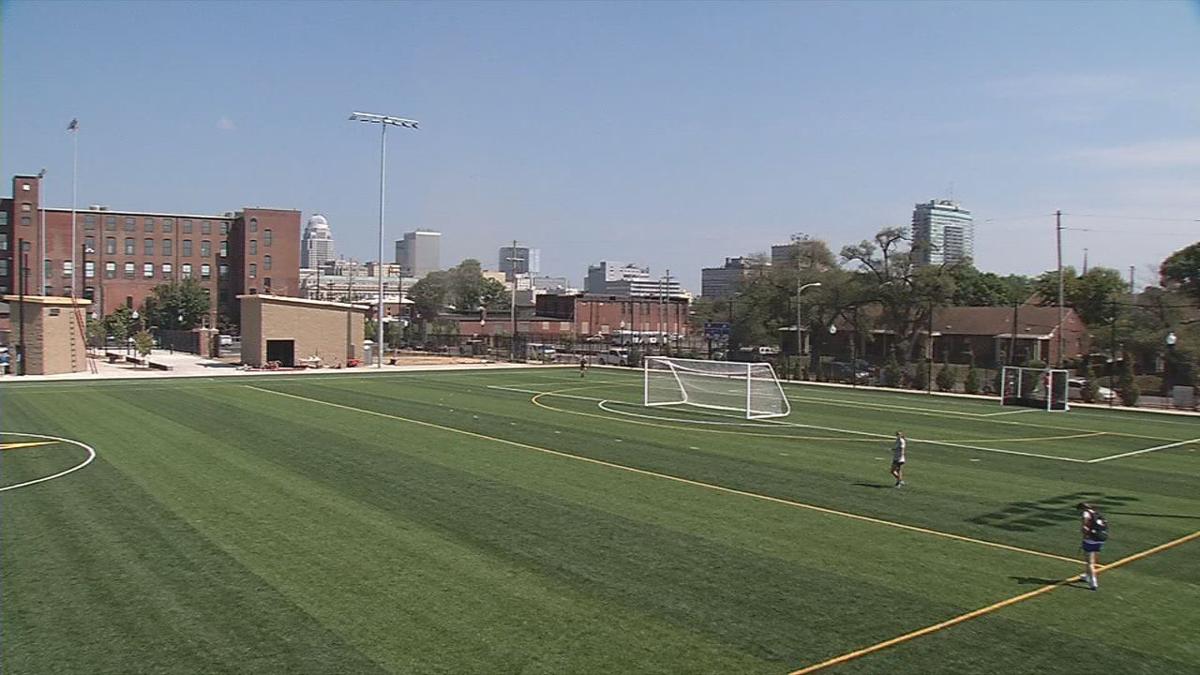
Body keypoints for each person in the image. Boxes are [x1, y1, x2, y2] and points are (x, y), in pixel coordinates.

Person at [1077, 502, 1108, 591]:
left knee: (1089, 562)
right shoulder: (1096, 513)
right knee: (1092, 558)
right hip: (1101, 539)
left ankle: (1093, 582)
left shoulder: (1085, 513)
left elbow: (1084, 528)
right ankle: (1087, 576)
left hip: (1091, 540)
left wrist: (1084, 536)